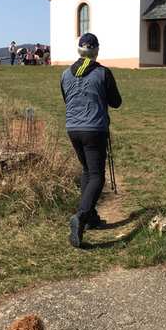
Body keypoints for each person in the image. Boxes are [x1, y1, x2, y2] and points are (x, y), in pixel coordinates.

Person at [60, 33, 122, 248]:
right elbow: (116, 102)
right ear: (96, 51)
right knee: (97, 176)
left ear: (79, 50)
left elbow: (67, 99)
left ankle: (91, 217)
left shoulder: (65, 74)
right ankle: (81, 215)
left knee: (87, 170)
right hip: (94, 128)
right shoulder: (103, 73)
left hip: (72, 128)